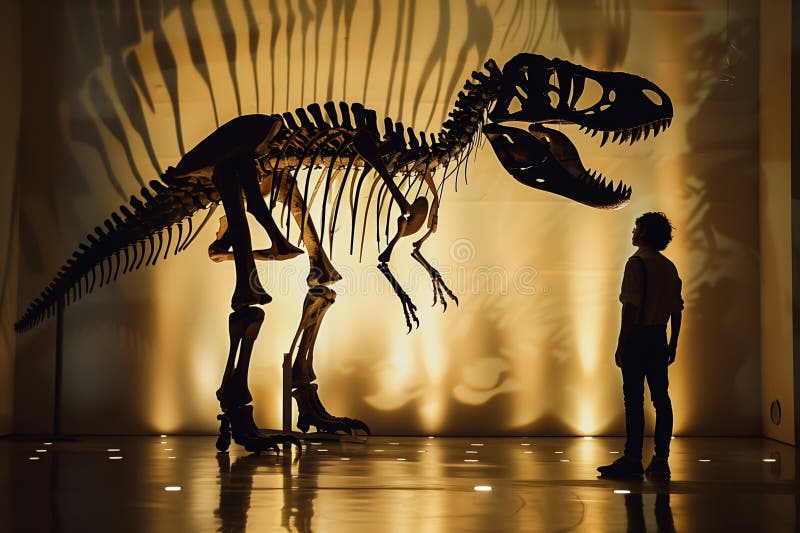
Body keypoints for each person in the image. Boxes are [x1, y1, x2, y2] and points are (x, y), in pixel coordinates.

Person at [597, 212, 683, 480]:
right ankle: (661, 458)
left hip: (638, 337)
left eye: (636, 228)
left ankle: (633, 457)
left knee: (634, 399)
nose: (633, 232)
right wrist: (673, 342)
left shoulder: (636, 264)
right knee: (661, 398)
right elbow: (677, 309)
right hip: (658, 337)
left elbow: (630, 308)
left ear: (644, 232)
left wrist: (622, 343)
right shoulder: (669, 267)